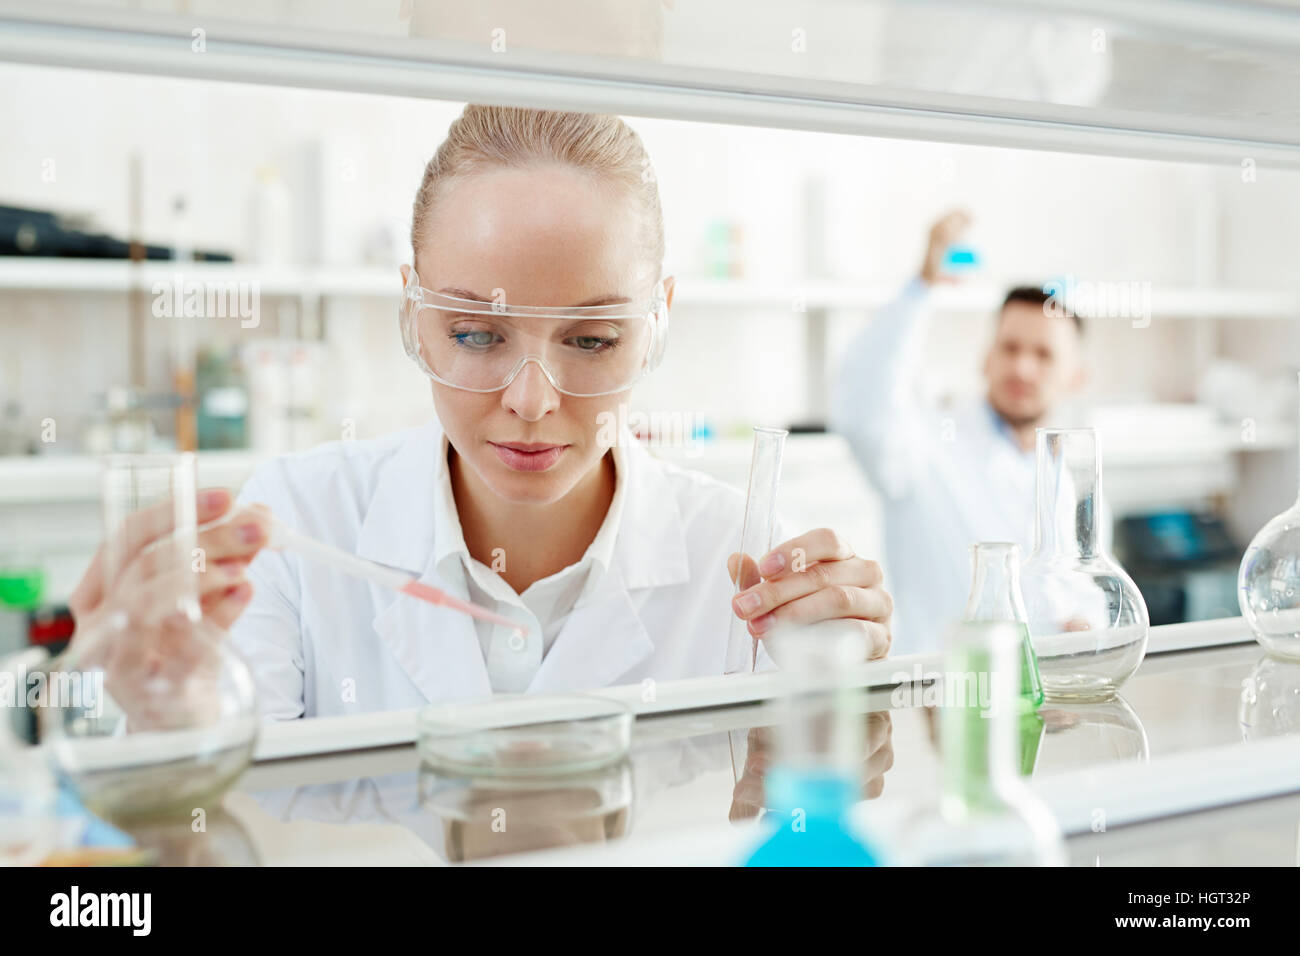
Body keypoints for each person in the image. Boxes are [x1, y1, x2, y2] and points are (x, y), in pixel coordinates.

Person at [67, 106, 894, 723]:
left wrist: (848, 706)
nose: (532, 401)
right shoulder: (298, 522)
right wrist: (158, 714)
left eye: (593, 339)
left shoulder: (744, 565)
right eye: (474, 333)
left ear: (657, 324)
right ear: (412, 309)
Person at [830, 211, 1088, 656]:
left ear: (1074, 377)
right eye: (1010, 348)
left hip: (1047, 697)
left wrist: (1083, 622)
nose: (1022, 367)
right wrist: (921, 287)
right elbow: (862, 406)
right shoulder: (926, 446)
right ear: (985, 357)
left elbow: (1076, 591)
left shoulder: (1061, 474)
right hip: (942, 700)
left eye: (1043, 354)